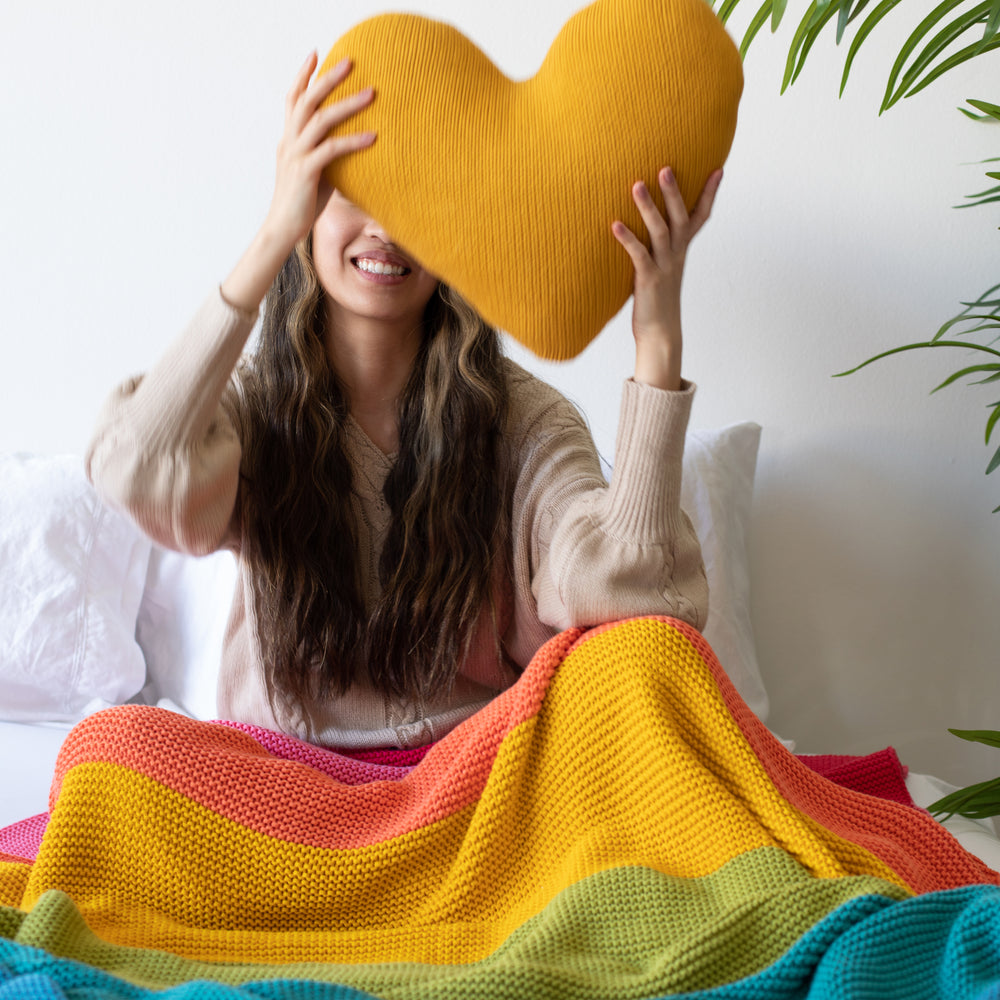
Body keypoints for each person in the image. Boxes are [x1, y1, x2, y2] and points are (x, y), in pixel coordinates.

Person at [86, 52, 719, 750]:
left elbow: (630, 595)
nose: (386, 230)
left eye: (415, 200)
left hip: (475, 776)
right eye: (358, 192)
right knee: (108, 744)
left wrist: (658, 344)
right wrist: (270, 239)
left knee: (649, 657)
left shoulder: (526, 421)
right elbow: (135, 468)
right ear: (307, 210)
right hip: (289, 777)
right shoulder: (255, 411)